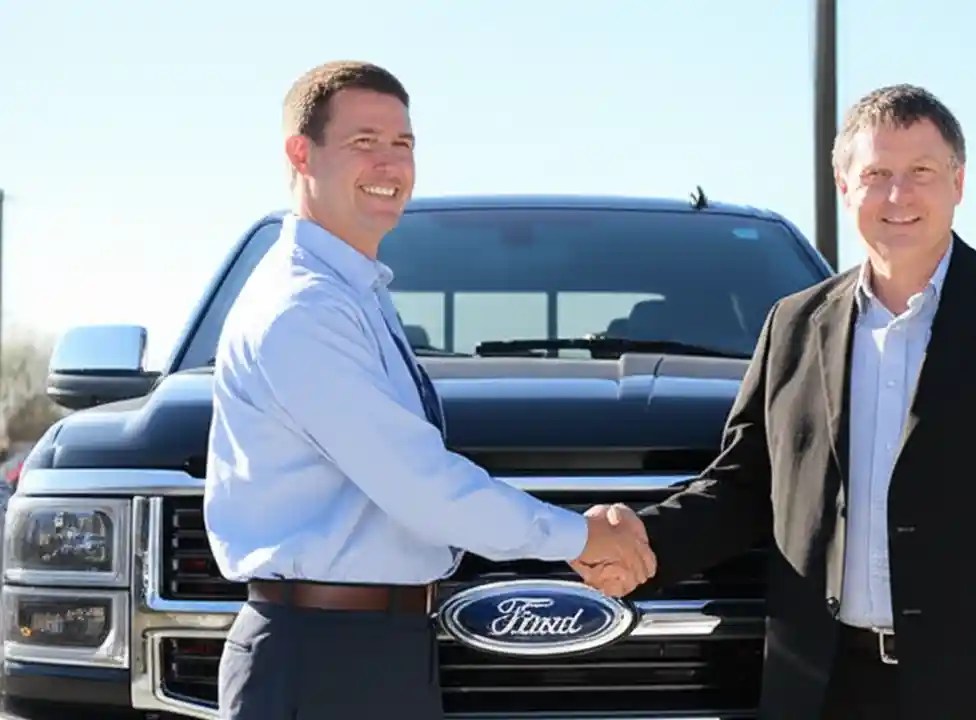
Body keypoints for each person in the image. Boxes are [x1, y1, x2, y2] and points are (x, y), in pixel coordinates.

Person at [573, 84, 976, 720]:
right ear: (844, 186)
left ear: (959, 181)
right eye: (876, 174)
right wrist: (644, 539)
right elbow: (743, 489)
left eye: (921, 171)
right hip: (824, 688)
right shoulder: (793, 325)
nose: (899, 195)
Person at [204, 60, 655, 720]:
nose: (390, 164)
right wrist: (580, 537)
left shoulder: (355, 294)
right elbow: (418, 483)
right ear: (301, 153)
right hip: (322, 660)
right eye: (364, 142)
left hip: (377, 648)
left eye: (403, 144)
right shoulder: (301, 310)